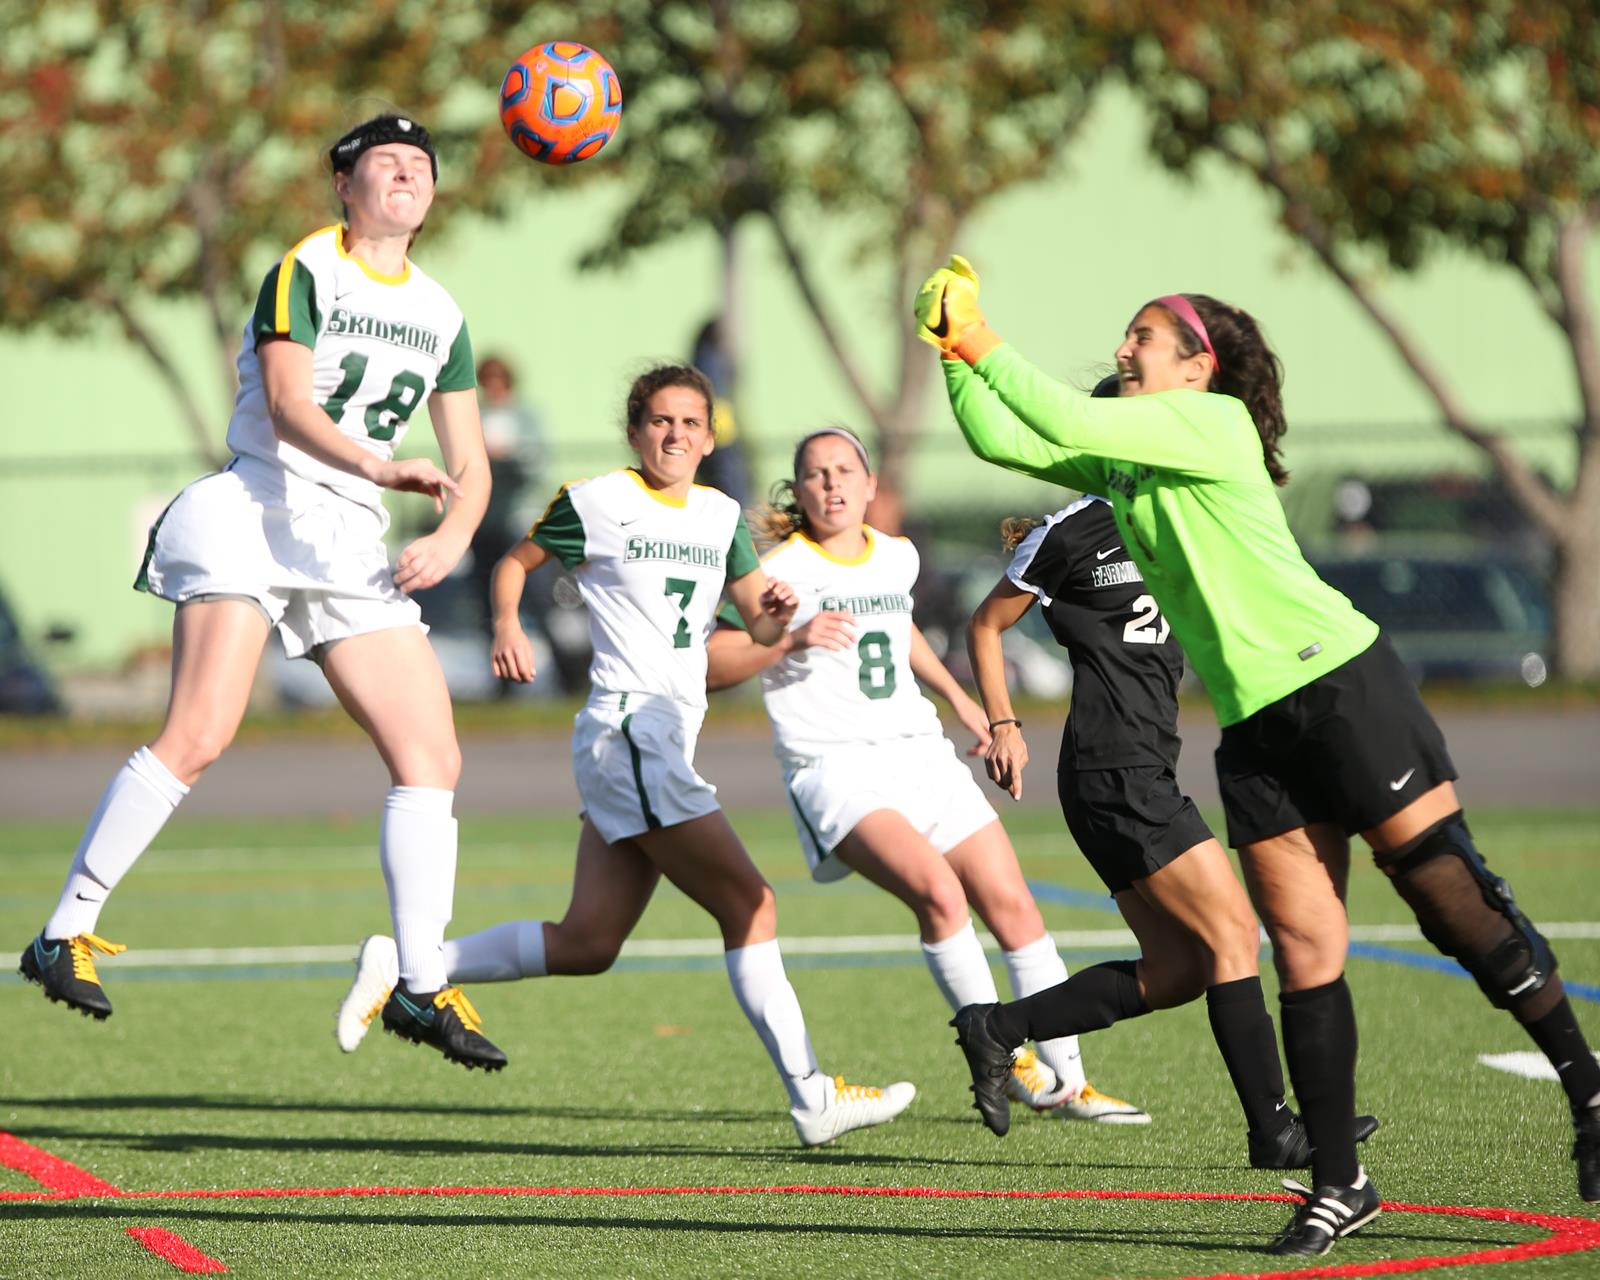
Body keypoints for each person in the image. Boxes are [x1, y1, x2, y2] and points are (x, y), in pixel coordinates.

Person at [915, 255, 1600, 1253]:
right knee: (1306, 954)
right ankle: (1338, 1179)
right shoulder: (1127, 463)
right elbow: (999, 431)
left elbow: (1060, 414)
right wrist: (947, 346)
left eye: (1142, 336)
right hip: (1255, 731)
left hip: (1340, 688)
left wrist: (976, 328)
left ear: (1197, 365)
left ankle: (1586, 1088)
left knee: (1447, 898)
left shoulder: (1214, 422)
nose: (1123, 348)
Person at [16, 114, 505, 1070]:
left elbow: (472, 462)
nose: (407, 173)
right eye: (385, 161)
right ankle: (61, 932)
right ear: (343, 183)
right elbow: (287, 404)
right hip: (256, 507)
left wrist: (453, 531)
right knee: (201, 733)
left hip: (346, 540)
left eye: (421, 165)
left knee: (432, 756)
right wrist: (382, 466)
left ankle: (415, 985)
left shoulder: (443, 313)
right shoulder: (305, 270)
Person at [336, 366, 915, 1147]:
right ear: (637, 430)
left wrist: (777, 617)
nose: (675, 435)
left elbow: (756, 625)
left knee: (589, 943)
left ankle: (408, 963)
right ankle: (812, 1094)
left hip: (659, 741)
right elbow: (513, 562)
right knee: (753, 903)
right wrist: (509, 623)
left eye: (691, 423)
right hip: (631, 735)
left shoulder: (719, 516)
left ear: (711, 439)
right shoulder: (598, 501)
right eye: (660, 421)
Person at [965, 381, 1375, 1165]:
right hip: (1113, 772)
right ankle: (1276, 1131)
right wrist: (1004, 725)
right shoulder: (1069, 531)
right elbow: (985, 625)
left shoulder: (1181, 521)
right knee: (1232, 935)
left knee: (1182, 968)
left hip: (1141, 768)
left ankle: (998, 1029)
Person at [704, 426, 1149, 1128]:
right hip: (835, 766)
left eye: (845, 470)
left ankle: (1069, 1082)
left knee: (1015, 907)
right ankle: (1007, 1055)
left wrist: (965, 702)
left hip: (919, 753)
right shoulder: (782, 572)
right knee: (940, 894)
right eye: (816, 474)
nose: (832, 484)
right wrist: (789, 637)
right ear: (800, 490)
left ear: (871, 484)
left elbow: (899, 626)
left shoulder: (897, 555)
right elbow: (715, 658)